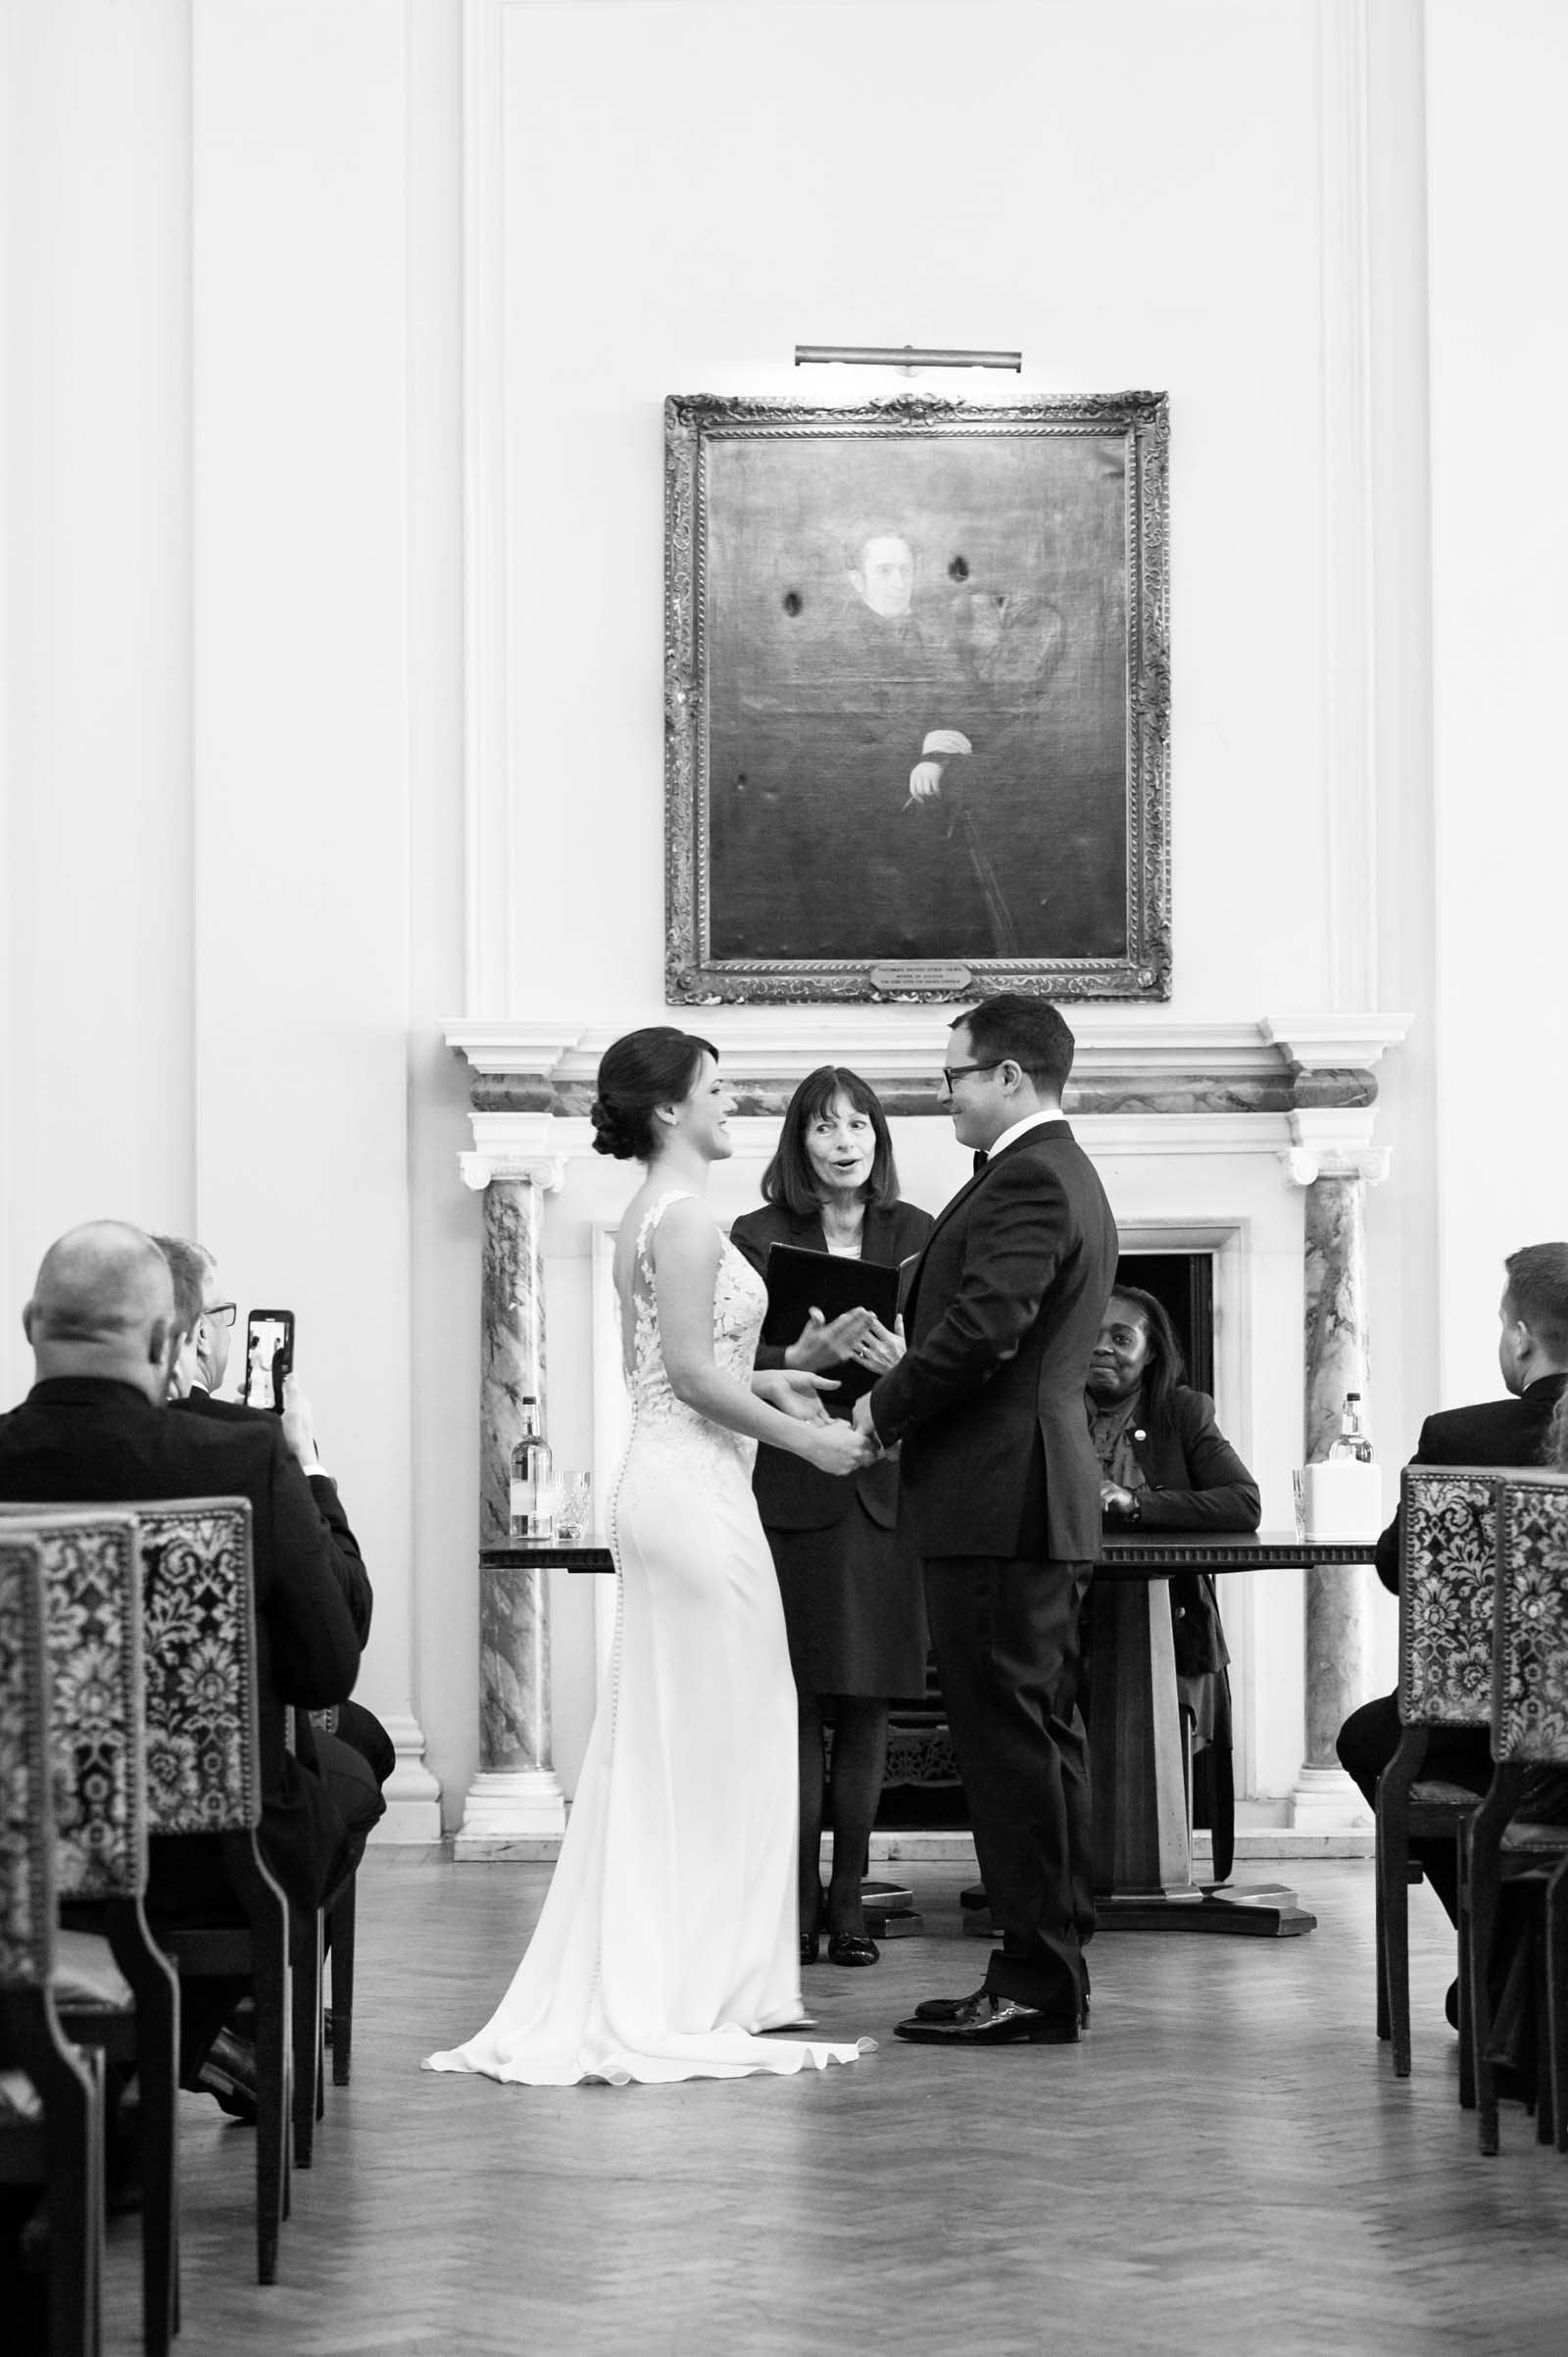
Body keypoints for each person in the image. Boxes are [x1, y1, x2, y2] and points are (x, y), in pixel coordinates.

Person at [424, 1028, 873, 2087]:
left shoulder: (666, 1218)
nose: (734, 1102)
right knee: (719, 1732)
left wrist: (786, 1371)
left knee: (711, 1729)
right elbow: (680, 1375)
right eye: (717, 1088)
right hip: (688, 1494)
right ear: (670, 1110)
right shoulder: (681, 1221)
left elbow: (697, 1372)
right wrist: (810, 1437)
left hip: (691, 1481)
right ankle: (683, 1982)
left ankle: (708, 1973)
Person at [0, 1221, 363, 2088]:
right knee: (344, 1787)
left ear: (27, 1325)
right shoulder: (241, 1456)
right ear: (168, 1341)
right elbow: (325, 1670)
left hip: (20, 1858)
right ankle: (157, 2069)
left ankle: (102, 2096)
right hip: (208, 1860)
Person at [853, 994, 1118, 2047]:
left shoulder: (1028, 1176)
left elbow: (986, 1330)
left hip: (999, 1498)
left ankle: (1034, 1977)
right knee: (1036, 1741)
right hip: (1021, 1494)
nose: (944, 1090)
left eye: (955, 1072)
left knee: (1010, 1746)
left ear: (1010, 1074)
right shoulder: (1054, 1172)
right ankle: (1047, 1964)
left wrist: (882, 1406)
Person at [1337, 1242, 1568, 2053]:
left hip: (1497, 1739)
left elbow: (1400, 1566)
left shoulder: (1462, 1433)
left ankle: (1498, 1965)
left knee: (1376, 1735)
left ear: (1519, 1337)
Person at [730, 1066, 934, 1968]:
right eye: (825, 1126)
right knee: (798, 1703)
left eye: (860, 1125)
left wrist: (906, 1364)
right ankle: (793, 1897)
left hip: (883, 1490)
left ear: (879, 1139)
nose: (845, 1141)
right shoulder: (755, 1233)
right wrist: (794, 1352)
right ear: (799, 1142)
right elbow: (720, 1360)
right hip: (793, 1487)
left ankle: (847, 1897)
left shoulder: (919, 1232)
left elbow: (951, 1358)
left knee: (866, 1707)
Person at [1087, 1284, 1260, 1883]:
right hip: (1058, 1612)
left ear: (1151, 1352)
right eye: (1093, 1332)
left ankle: (1144, 1874)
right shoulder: (1045, 1406)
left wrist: (1135, 1504)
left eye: (1121, 1337)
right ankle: (1059, 1871)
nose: (1102, 1347)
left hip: (1170, 1622)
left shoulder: (1183, 1412)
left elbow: (1242, 1503)